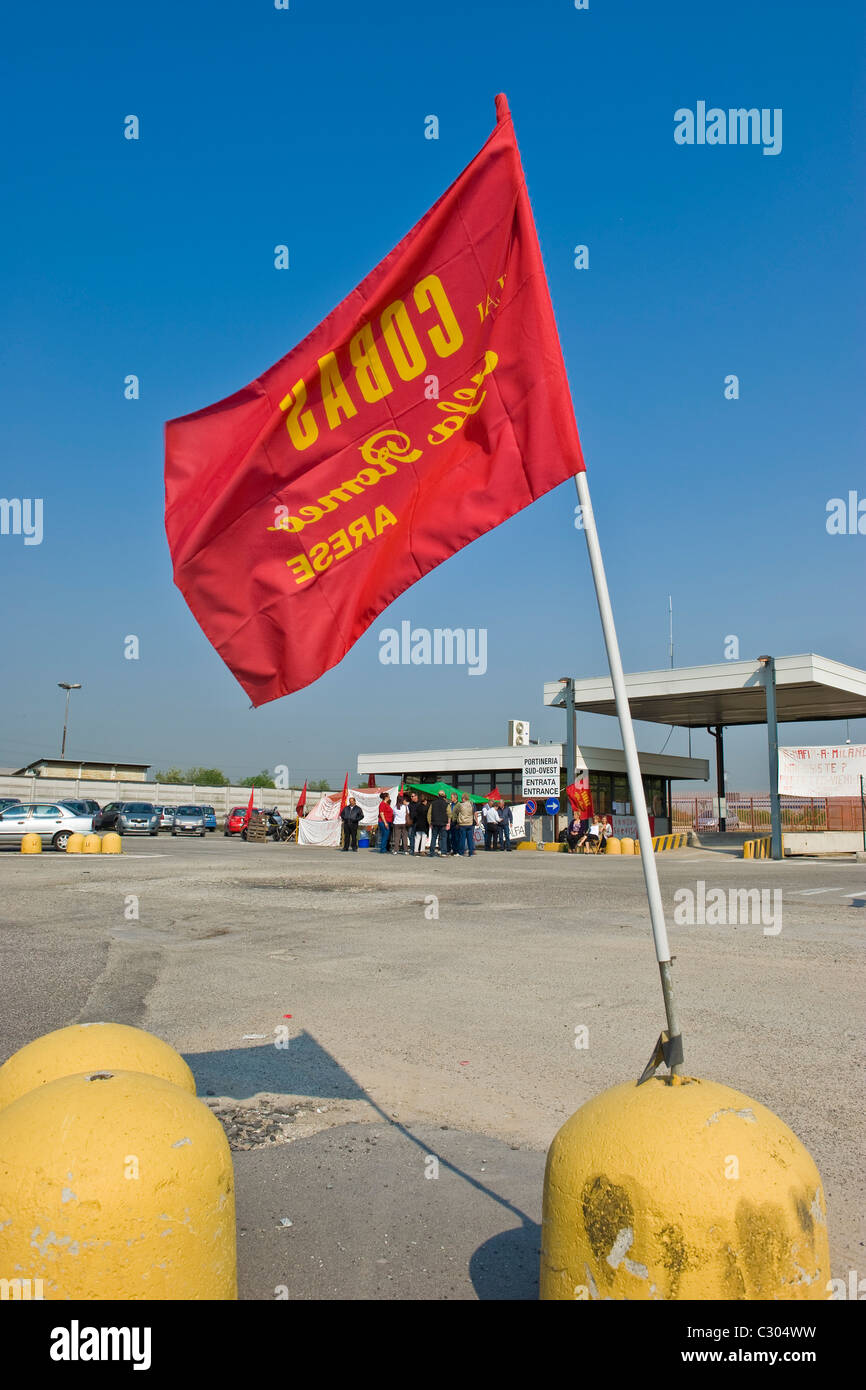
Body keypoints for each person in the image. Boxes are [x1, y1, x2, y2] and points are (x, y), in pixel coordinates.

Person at [429, 790, 449, 857]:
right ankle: (443, 852)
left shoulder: (433, 803)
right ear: (444, 796)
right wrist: (448, 823)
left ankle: (432, 852)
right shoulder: (446, 804)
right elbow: (449, 814)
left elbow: (429, 813)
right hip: (443, 823)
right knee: (443, 838)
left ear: (438, 795)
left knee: (434, 837)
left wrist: (430, 823)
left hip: (434, 823)